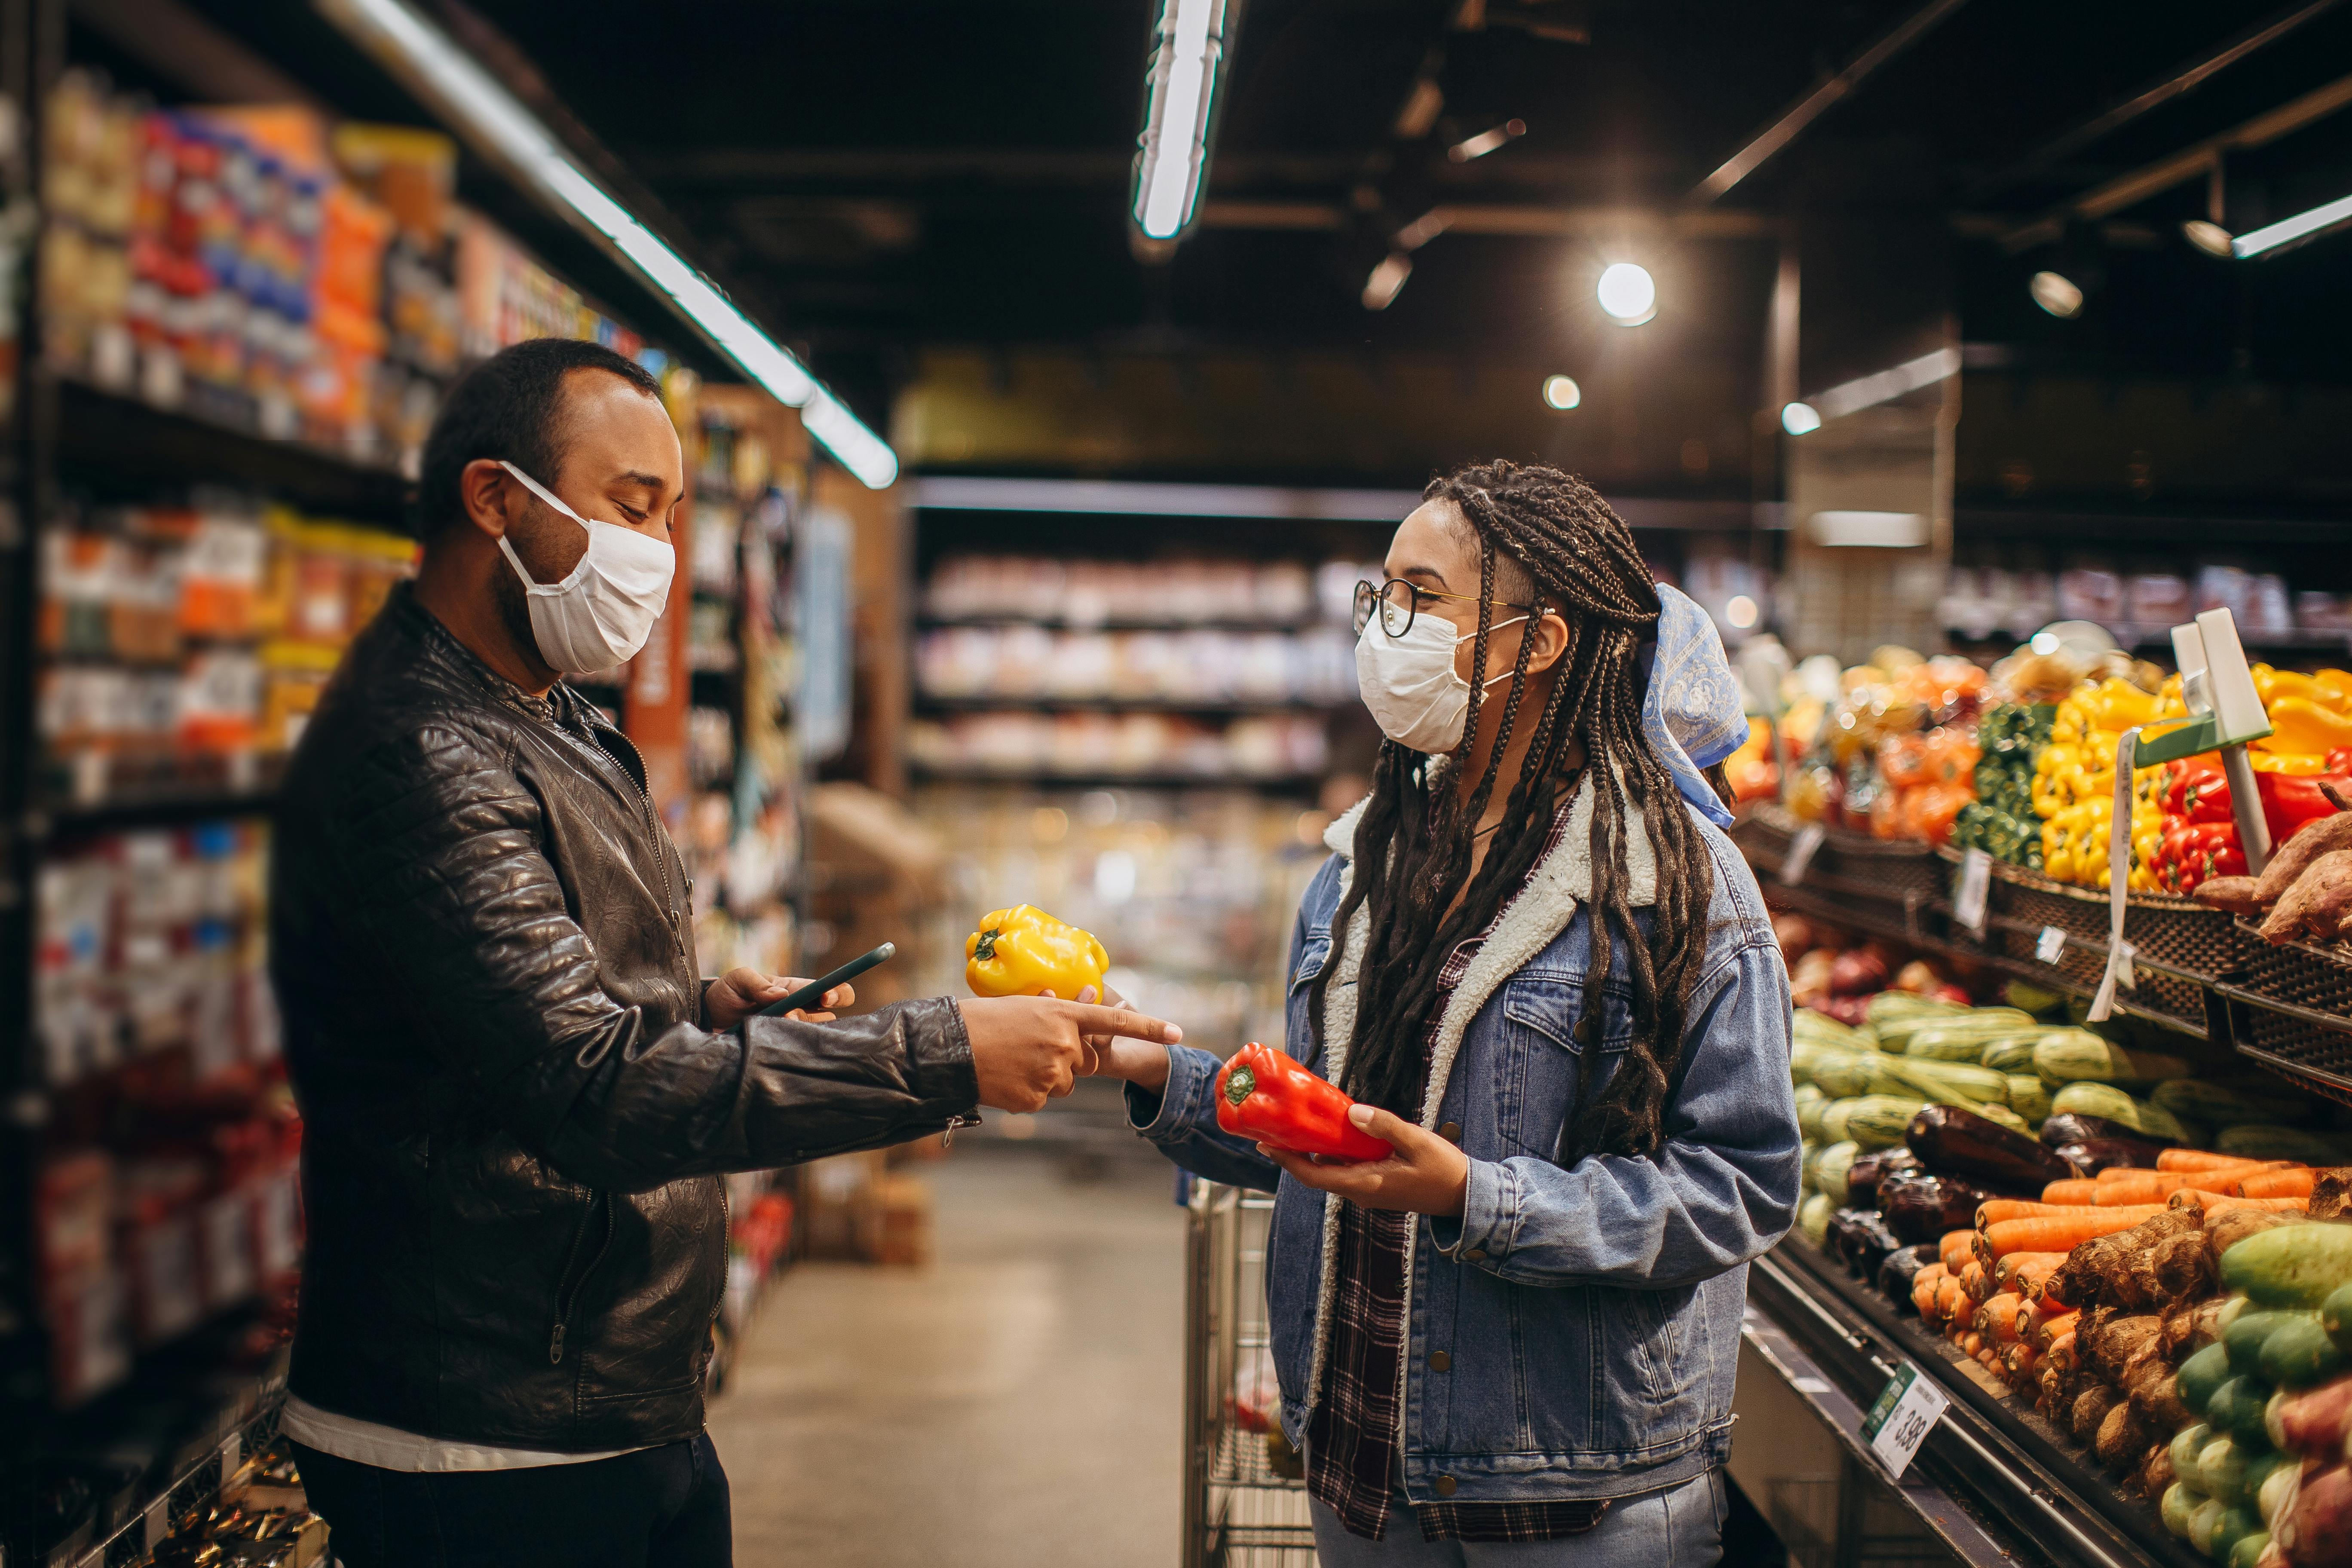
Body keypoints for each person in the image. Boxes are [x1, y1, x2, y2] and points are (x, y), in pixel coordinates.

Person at [267, 337, 1180, 1568]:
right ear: (494, 499)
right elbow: (593, 1091)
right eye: (628, 508)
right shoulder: (426, 755)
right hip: (485, 1433)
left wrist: (698, 1003)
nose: (659, 553)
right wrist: (942, 1054)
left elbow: (505, 1009)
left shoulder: (556, 719)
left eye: (673, 515)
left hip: (603, 1389)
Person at [1090, 460, 1800, 1565]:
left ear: (1539, 643)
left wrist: (1480, 1198)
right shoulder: (1363, 863)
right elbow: (1328, 1132)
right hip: (1363, 1473)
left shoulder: (1680, 887)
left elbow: (1743, 1186)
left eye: (1421, 597)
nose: (1384, 627)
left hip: (1575, 1503)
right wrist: (1158, 1074)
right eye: (1381, 595)